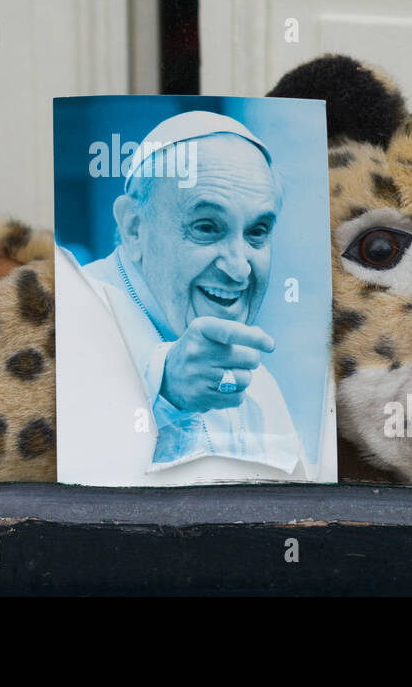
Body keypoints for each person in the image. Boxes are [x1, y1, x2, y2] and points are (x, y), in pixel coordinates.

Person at [70, 111, 306, 476]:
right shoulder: (71, 313)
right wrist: (165, 391)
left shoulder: (256, 382)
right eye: (207, 227)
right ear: (134, 228)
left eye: (257, 231)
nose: (239, 267)